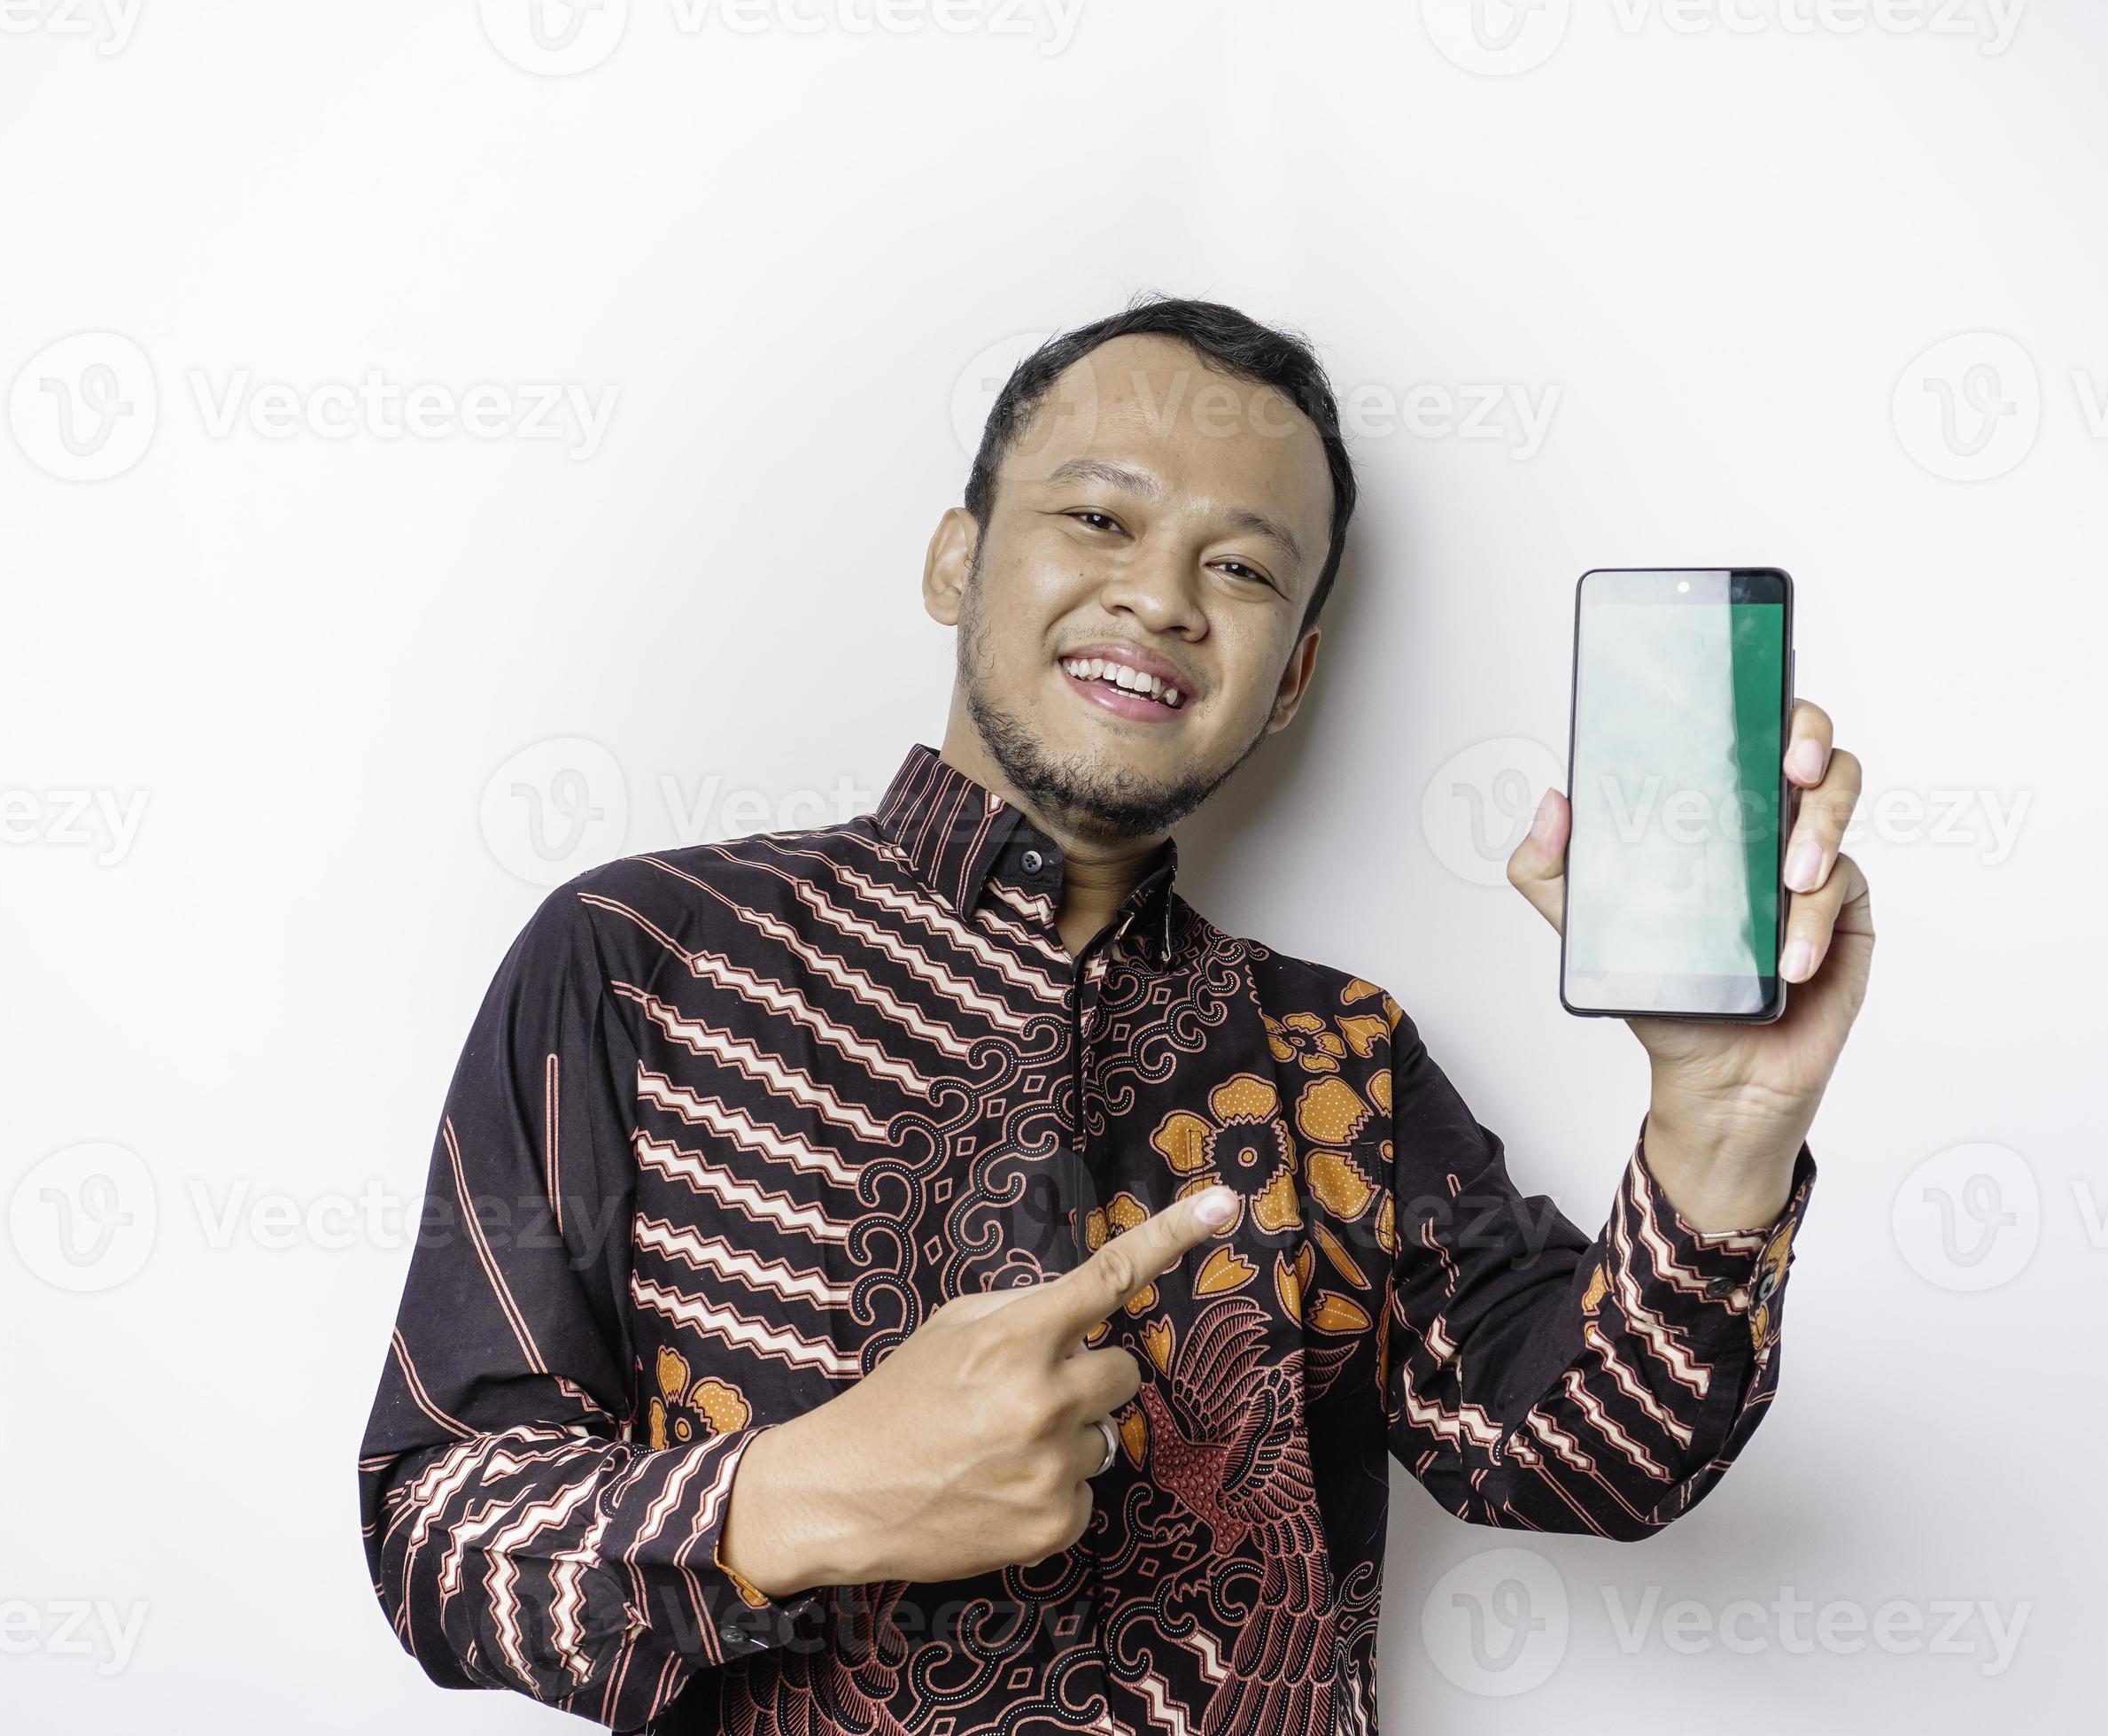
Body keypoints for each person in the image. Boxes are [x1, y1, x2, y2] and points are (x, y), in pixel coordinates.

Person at [356, 296, 1874, 1734]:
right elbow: (435, 1535)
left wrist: (1721, 1137)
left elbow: (1590, 1461)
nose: (1160, 597)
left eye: (1244, 569)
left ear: (1293, 681)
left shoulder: (1339, 1059)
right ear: (957, 560)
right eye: (1100, 518)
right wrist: (809, 1494)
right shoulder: (644, 961)